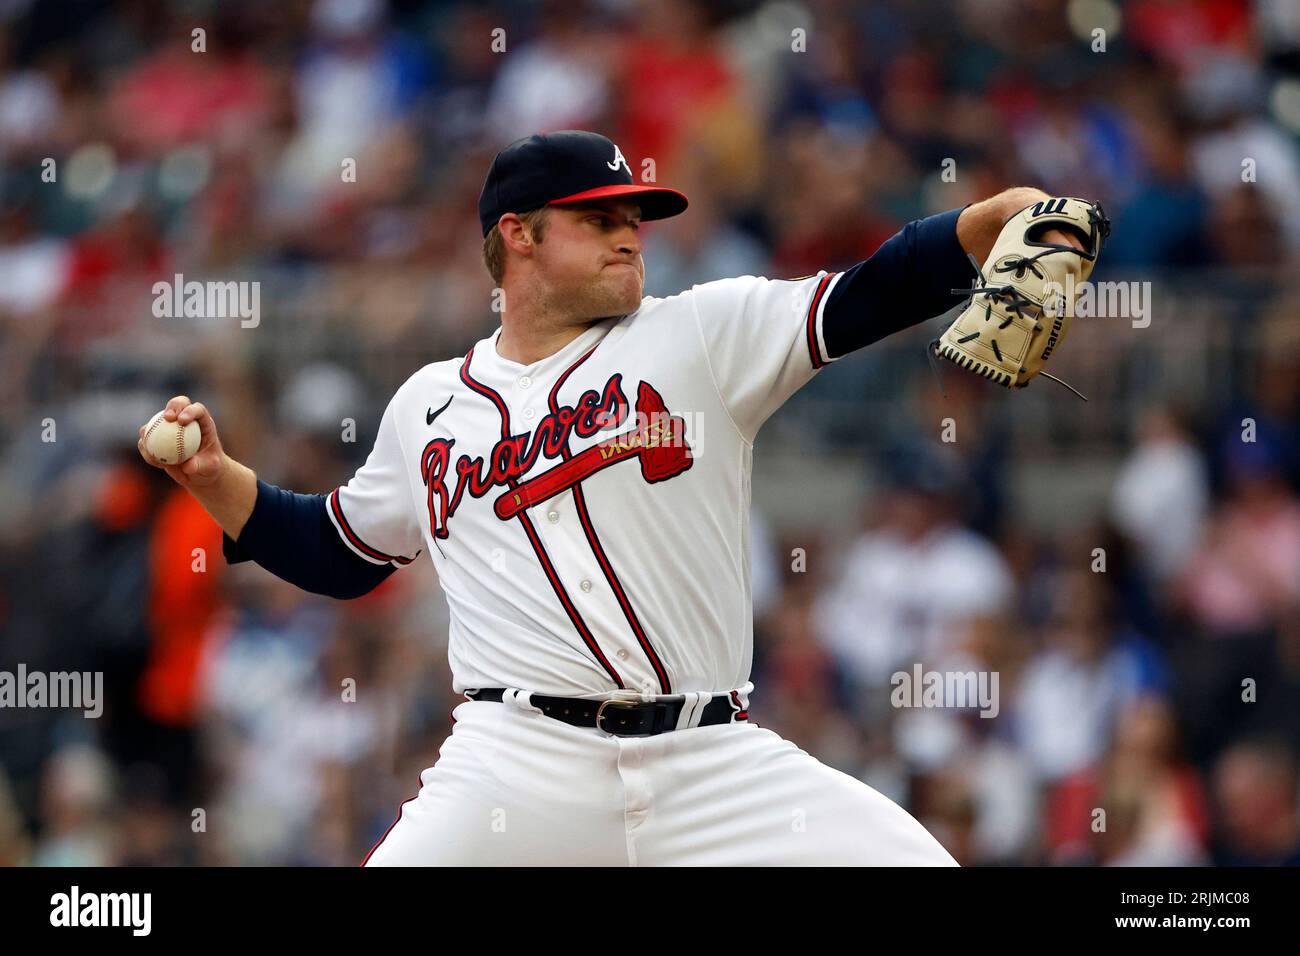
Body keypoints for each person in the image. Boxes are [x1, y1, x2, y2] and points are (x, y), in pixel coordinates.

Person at [138, 129, 1090, 865]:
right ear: (517, 236)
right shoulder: (428, 406)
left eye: (634, 218)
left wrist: (995, 216)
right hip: (515, 760)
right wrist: (213, 478)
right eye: (599, 219)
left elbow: (877, 289)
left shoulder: (703, 335)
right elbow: (337, 555)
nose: (629, 235)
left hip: (710, 759)